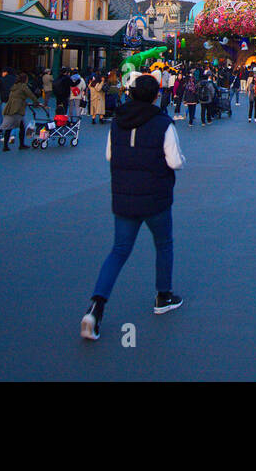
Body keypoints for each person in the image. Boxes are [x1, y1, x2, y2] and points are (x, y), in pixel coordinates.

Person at [80, 75, 184, 341]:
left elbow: (109, 156)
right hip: (155, 197)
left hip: (125, 197)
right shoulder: (163, 123)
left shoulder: (117, 122)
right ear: (155, 95)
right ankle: (163, 296)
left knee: (119, 250)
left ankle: (95, 308)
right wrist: (181, 157)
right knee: (163, 244)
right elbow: (174, 162)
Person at [1, 73, 37, 151]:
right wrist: (36, 102)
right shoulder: (23, 86)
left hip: (10, 107)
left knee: (8, 128)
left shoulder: (14, 86)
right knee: (22, 127)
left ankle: (5, 146)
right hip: (18, 108)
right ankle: (21, 144)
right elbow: (31, 95)